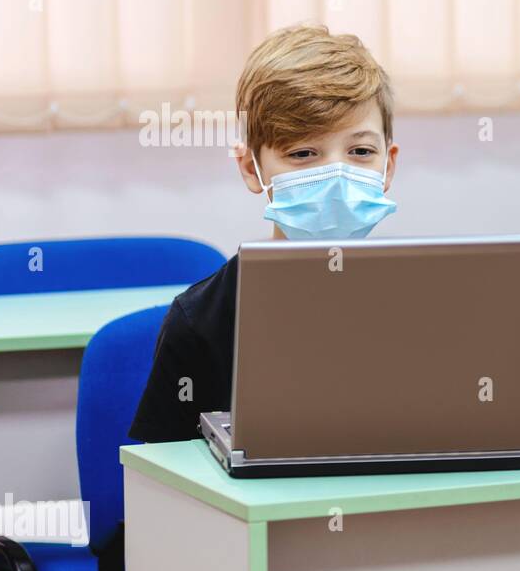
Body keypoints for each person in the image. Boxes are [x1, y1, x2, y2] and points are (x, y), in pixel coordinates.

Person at [129, 25, 399, 443]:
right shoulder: (202, 322)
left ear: (388, 166)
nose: (335, 174)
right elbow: (167, 481)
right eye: (301, 153)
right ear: (250, 169)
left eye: (360, 151)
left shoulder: (425, 306)